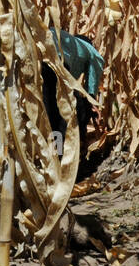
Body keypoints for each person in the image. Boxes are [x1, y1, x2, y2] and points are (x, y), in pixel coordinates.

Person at [40, 28, 105, 177]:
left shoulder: (70, 43)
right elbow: (91, 89)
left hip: (38, 59)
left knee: (49, 116)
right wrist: (91, 102)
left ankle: (50, 160)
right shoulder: (90, 50)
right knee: (63, 117)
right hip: (56, 63)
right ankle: (64, 162)